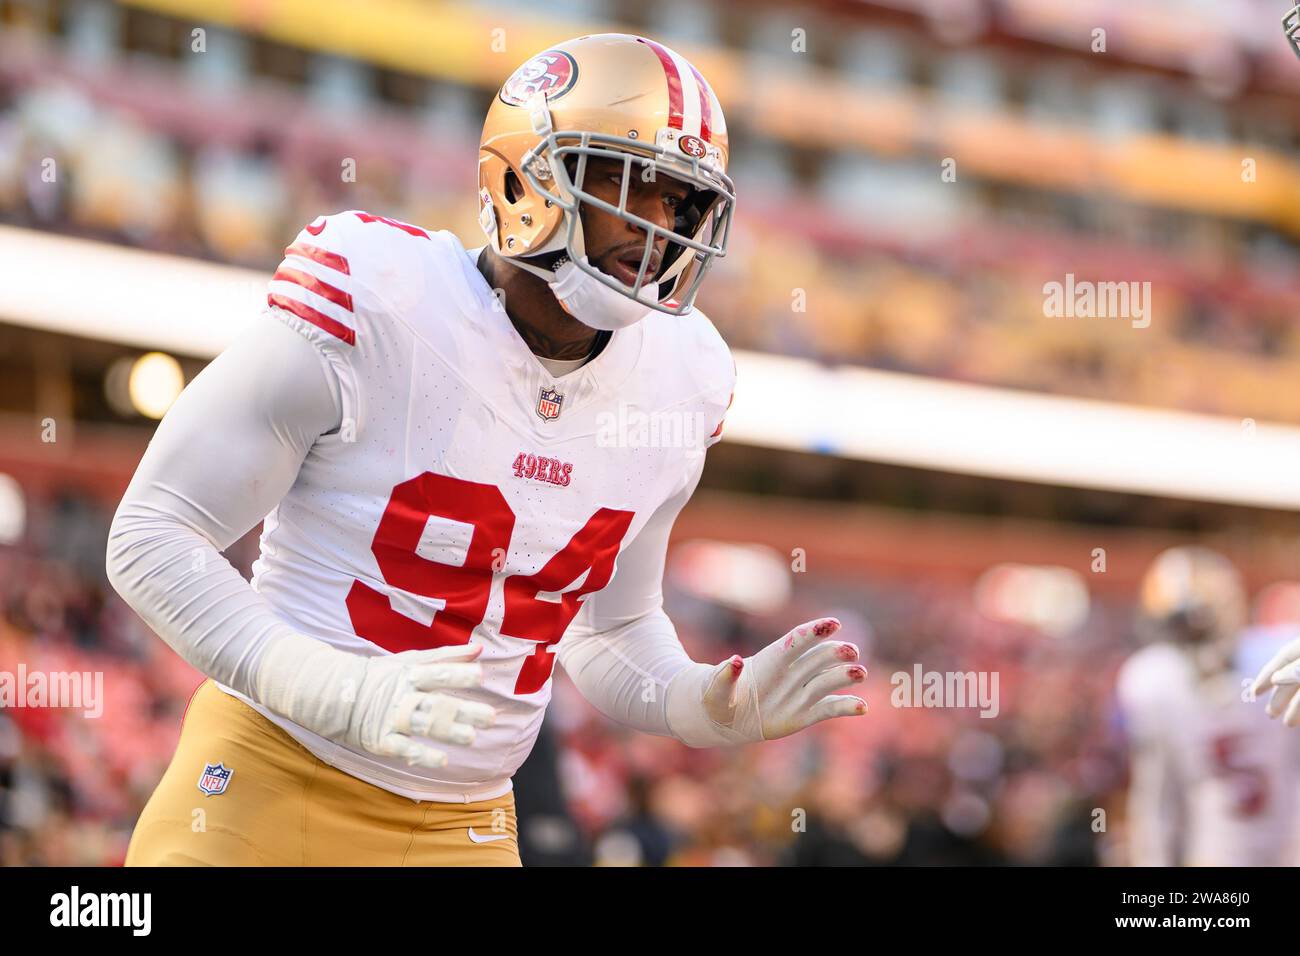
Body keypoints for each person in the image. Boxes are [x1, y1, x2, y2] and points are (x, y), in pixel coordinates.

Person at [106, 33, 868, 866]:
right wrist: (334, 690)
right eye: (627, 183)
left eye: (678, 203)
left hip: (463, 828)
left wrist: (702, 704)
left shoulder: (683, 378)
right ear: (524, 176)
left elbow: (607, 630)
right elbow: (151, 535)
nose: (657, 228)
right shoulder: (380, 296)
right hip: (269, 774)